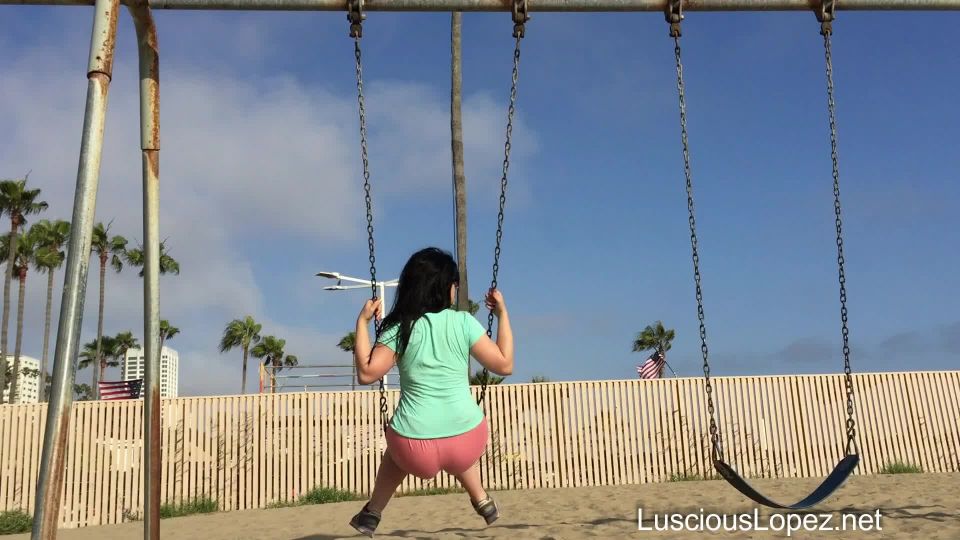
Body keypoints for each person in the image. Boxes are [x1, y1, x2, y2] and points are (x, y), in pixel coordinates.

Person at [347, 247, 514, 537]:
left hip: (413, 448)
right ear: (446, 288)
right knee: (455, 439)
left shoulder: (400, 328)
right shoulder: (463, 322)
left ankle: (372, 514)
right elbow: (504, 364)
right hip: (468, 440)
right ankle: (482, 500)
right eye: (454, 284)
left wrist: (362, 322)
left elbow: (366, 373)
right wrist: (502, 314)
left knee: (396, 454)